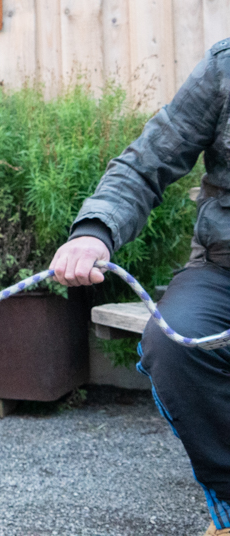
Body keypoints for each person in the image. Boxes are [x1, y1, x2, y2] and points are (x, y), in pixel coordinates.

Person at [51, 39, 230, 536]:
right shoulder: (224, 68)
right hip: (222, 268)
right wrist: (95, 231)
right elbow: (143, 166)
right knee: (172, 342)